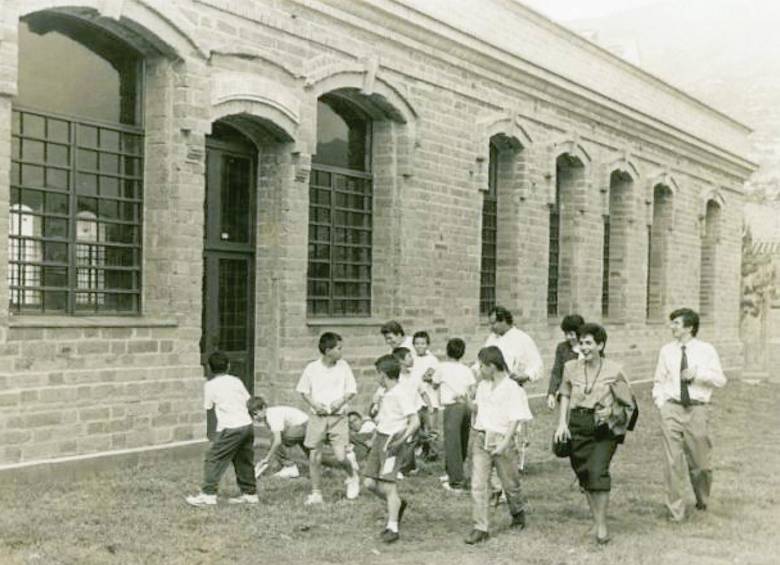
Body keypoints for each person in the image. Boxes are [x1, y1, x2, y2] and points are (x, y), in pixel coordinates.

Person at [554, 323, 637, 544]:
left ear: (600, 345)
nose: (584, 347)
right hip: (577, 425)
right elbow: (565, 394)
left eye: (589, 343)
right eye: (581, 343)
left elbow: (629, 403)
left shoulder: (614, 370)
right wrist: (562, 423)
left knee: (597, 471)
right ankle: (597, 519)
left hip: (604, 427)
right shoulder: (570, 367)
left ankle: (601, 527)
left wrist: (612, 410)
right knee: (584, 474)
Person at [652, 307, 726, 522]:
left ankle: (702, 499)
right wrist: (661, 402)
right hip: (671, 408)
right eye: (671, 322)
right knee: (672, 461)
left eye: (676, 323)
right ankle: (676, 511)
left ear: (690, 327)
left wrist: (698, 374)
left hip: (697, 409)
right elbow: (659, 380)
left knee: (701, 463)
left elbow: (720, 380)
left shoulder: (706, 350)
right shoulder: (666, 351)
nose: (671, 327)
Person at [464, 346, 532, 544]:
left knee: (510, 484)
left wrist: (503, 444)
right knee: (478, 484)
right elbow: (478, 409)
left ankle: (517, 512)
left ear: (492, 366)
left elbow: (515, 419)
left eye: (482, 366)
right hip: (481, 438)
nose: (479, 370)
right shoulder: (483, 386)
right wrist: (467, 400)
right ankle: (480, 527)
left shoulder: (512, 389)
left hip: (503, 439)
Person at [296, 332, 361, 505]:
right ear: (327, 350)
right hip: (318, 417)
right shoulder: (312, 368)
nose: (341, 352)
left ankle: (352, 475)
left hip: (338, 417)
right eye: (338, 348)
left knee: (340, 456)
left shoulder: (344, 366)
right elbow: (303, 390)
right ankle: (316, 492)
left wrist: (341, 401)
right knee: (314, 455)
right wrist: (314, 404)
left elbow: (351, 390)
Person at [186, 351, 258, 506]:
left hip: (230, 427)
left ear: (210, 368)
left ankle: (208, 495)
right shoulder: (236, 381)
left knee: (213, 458)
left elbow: (208, 406)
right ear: (229, 366)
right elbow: (248, 401)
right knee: (243, 459)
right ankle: (250, 494)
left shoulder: (210, 385)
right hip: (246, 424)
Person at [363, 354, 420, 544]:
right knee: (369, 483)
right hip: (380, 437)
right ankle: (397, 502)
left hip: (392, 440)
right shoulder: (384, 393)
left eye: (378, 373)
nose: (377, 377)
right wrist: (375, 403)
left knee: (388, 485)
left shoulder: (401, 393)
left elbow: (415, 421)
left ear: (384, 374)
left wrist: (401, 439)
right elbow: (377, 417)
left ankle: (392, 527)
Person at [432, 337, 475, 493]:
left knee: (452, 443)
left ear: (447, 351)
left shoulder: (442, 367)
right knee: (462, 440)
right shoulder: (466, 369)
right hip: (466, 406)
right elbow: (472, 389)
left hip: (452, 407)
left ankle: (456, 482)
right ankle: (453, 472)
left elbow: (435, 383)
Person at [248, 396, 309, 479]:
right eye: (252, 415)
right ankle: (332, 465)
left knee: (275, 439)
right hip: (302, 427)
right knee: (314, 455)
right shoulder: (267, 417)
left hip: (304, 426)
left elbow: (277, 441)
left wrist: (267, 459)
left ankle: (290, 467)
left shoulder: (272, 416)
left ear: (264, 408)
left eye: (256, 413)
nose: (255, 417)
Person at [482, 306, 543, 385]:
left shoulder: (522, 339)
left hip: (512, 387)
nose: (491, 328)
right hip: (491, 386)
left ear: (503, 320)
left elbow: (537, 365)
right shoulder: (491, 339)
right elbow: (482, 360)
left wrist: (526, 375)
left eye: (493, 323)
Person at [546, 314, 585, 410]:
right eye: (566, 334)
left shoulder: (588, 347)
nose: (568, 337)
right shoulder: (562, 348)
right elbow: (557, 372)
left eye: (571, 334)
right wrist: (551, 393)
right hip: (567, 394)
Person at [412, 331, 440, 455]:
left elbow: (430, 376)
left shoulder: (432, 360)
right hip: (416, 398)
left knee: (431, 426)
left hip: (430, 397)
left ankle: (433, 452)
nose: (420, 346)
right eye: (417, 343)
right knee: (417, 425)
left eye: (423, 343)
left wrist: (428, 377)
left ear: (427, 345)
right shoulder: (412, 359)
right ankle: (420, 449)